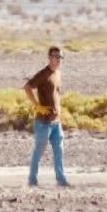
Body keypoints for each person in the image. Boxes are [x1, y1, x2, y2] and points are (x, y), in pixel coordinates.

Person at [24, 45, 71, 188]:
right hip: (43, 123)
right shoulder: (43, 74)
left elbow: (57, 94)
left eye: (60, 57)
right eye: (56, 56)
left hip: (56, 122)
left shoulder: (58, 73)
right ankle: (32, 181)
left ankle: (61, 181)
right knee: (39, 152)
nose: (58, 59)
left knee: (59, 152)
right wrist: (37, 106)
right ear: (49, 57)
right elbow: (27, 87)